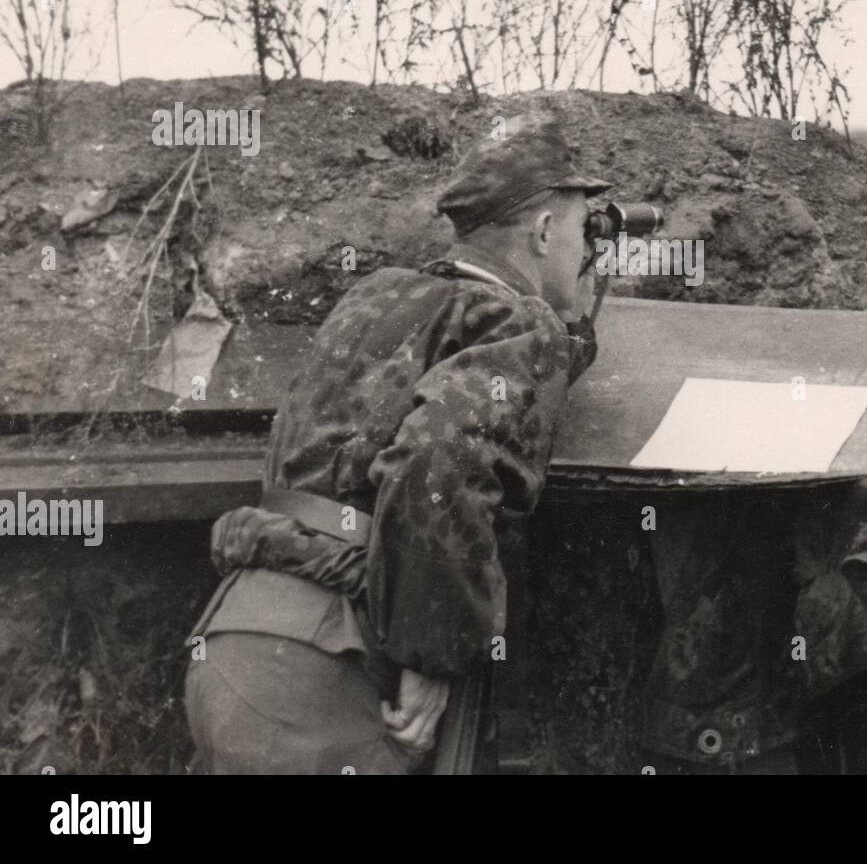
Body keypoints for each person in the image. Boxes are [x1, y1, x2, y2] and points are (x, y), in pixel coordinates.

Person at [184, 117, 609, 773]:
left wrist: (567, 327)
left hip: (239, 641)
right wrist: (430, 654)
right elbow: (436, 464)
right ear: (546, 231)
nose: (586, 251)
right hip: (334, 669)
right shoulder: (516, 324)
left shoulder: (377, 297)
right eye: (583, 231)